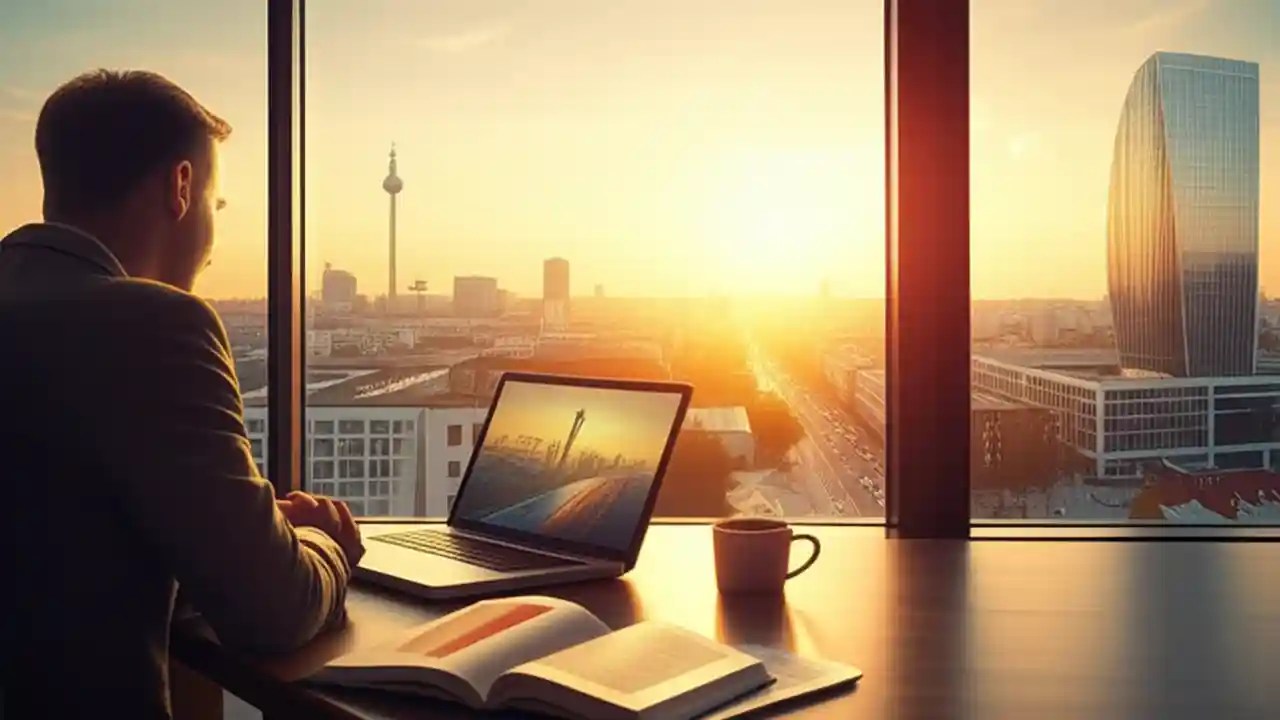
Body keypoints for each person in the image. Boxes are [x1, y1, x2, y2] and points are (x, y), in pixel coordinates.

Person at [0, 70, 363, 719]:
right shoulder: (155, 324)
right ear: (182, 186)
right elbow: (273, 612)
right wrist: (326, 541)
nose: (213, 241)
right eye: (215, 208)